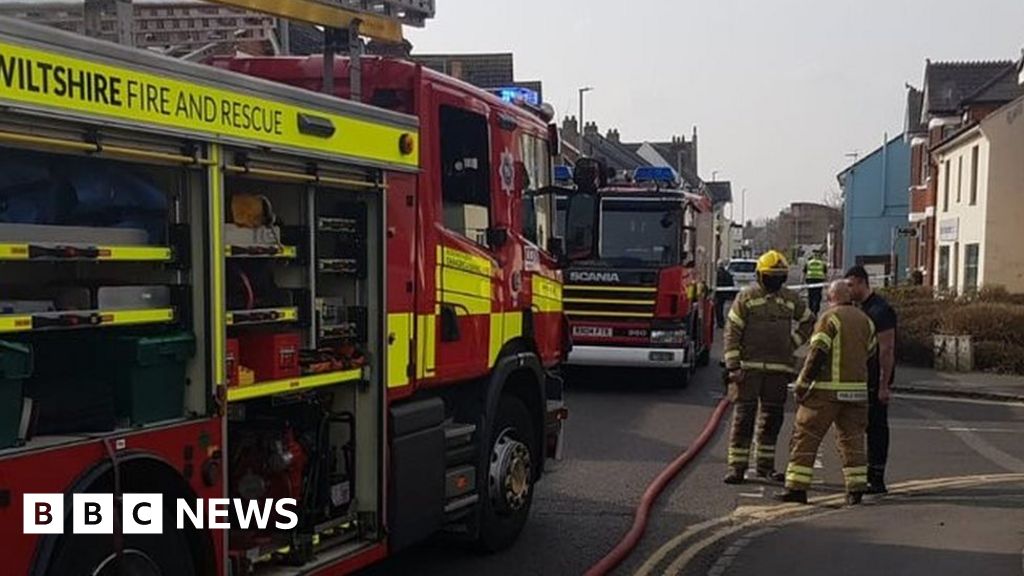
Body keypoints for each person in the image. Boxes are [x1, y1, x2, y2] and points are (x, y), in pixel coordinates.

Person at [777, 280, 876, 505]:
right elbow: (871, 352)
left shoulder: (829, 318)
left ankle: (797, 488)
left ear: (831, 298)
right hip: (857, 393)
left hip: (826, 393)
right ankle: (856, 489)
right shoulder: (866, 321)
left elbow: (817, 353)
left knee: (805, 437)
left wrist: (803, 383)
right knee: (853, 440)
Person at [722, 250, 816, 484]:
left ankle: (765, 466)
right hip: (748, 369)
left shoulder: (790, 298)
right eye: (770, 276)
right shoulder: (746, 297)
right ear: (760, 276)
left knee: (772, 420)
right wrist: (733, 366)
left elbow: (809, 320)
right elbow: (732, 331)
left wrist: (791, 343)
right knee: (744, 418)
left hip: (778, 369)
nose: (775, 281)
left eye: (779, 277)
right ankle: (737, 467)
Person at [845, 265, 897, 493]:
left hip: (875, 380)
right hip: (860, 378)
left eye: (850, 285)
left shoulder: (880, 310)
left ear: (861, 282)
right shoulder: (860, 308)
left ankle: (876, 478)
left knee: (876, 429)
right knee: (859, 427)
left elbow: (887, 349)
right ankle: (865, 475)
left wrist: (884, 385)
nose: (848, 290)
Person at [715, 260, 735, 329]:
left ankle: (720, 323)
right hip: (724, 294)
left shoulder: (717, 274)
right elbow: (731, 283)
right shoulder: (727, 273)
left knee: (718, 309)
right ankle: (722, 322)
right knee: (722, 308)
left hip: (718, 294)